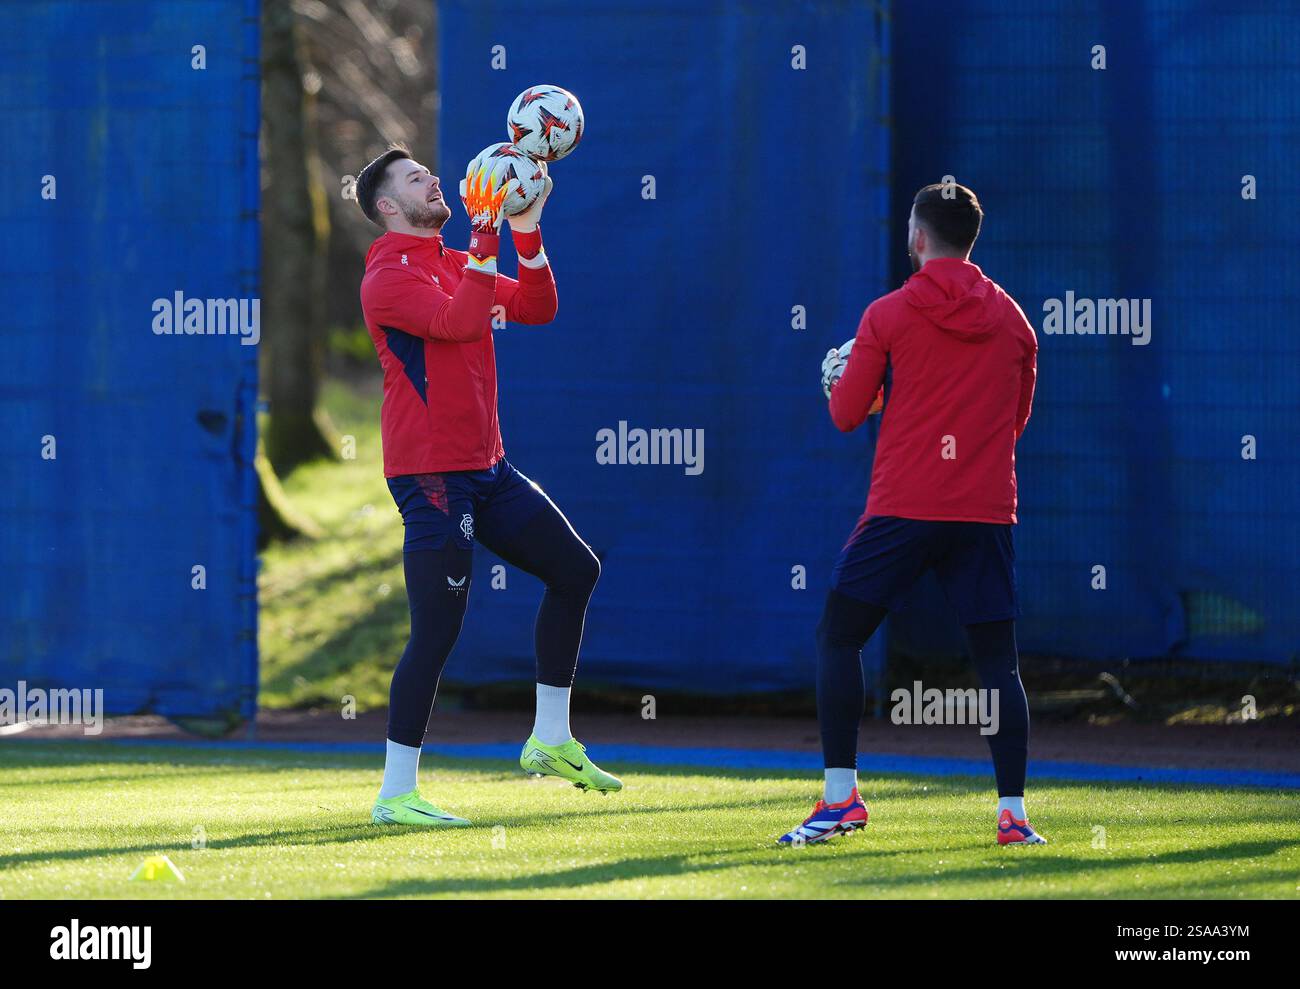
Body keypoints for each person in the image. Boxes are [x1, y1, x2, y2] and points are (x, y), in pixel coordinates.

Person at [354, 143, 622, 828]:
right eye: (417, 179)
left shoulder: (450, 260)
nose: (434, 179)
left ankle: (551, 739)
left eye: (428, 172)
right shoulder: (386, 276)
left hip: (486, 467)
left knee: (575, 570)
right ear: (388, 207)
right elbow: (459, 322)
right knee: (436, 631)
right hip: (431, 475)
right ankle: (395, 792)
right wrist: (485, 232)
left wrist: (525, 229)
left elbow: (537, 307)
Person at [778, 182, 1042, 846]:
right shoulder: (1014, 321)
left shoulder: (888, 314)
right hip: (984, 511)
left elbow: (845, 414)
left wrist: (850, 386)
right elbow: (1014, 424)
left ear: (918, 237)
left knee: (839, 636)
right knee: (998, 667)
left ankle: (841, 800)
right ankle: (1013, 815)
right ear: (969, 238)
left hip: (903, 507)